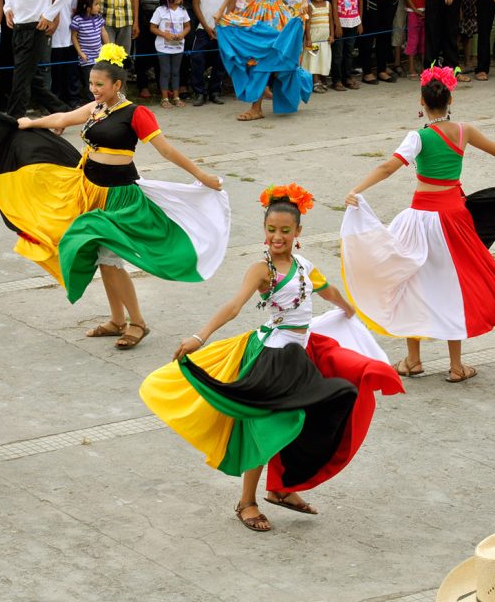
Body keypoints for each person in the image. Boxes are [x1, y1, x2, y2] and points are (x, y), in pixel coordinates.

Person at [140, 184, 403, 533]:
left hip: (304, 352)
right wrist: (199, 336)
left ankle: (281, 488)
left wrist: (347, 309)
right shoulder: (262, 270)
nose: (277, 237)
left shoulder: (304, 264)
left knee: (338, 398)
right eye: (271, 230)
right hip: (275, 356)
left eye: (285, 231)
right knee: (265, 426)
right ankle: (246, 501)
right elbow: (233, 306)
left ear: (298, 232)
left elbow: (327, 290)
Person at [0, 44, 228, 350]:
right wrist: (31, 123)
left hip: (120, 198)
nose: (93, 89)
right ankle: (118, 320)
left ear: (118, 84)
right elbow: (63, 118)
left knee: (112, 261)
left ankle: (138, 323)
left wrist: (203, 177)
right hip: (88, 191)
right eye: (91, 83)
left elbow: (167, 151)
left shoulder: (136, 114)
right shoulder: (96, 109)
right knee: (104, 259)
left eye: (99, 85)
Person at [342, 66, 495, 382]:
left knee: (408, 281)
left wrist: (357, 190)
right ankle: (456, 365)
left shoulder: (418, 137)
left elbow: (387, 167)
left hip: (420, 218)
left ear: (422, 102)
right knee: (453, 287)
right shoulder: (464, 131)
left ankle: (413, 359)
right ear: (450, 99)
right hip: (454, 218)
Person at [215, 0, 312, 121]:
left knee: (267, 59)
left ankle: (258, 106)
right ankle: (260, 100)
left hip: (275, 14)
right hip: (254, 12)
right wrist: (221, 10)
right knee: (254, 59)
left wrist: (304, 1)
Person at [1, 0, 76, 117]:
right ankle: (63, 113)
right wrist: (7, 8)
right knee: (32, 80)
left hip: (35, 29)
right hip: (18, 28)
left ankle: (13, 119)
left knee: (20, 78)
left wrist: (50, 14)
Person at [190, 0, 233, 105]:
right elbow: (195, 4)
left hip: (222, 29)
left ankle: (215, 91)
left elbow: (232, 4)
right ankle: (199, 92)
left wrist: (222, 23)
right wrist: (207, 27)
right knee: (197, 59)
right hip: (203, 29)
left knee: (220, 61)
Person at [150, 0, 191, 107]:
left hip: (178, 47)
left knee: (175, 72)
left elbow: (188, 26)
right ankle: (164, 98)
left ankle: (176, 96)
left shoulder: (182, 11)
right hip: (163, 47)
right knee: (165, 71)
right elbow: (152, 27)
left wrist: (183, 34)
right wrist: (164, 35)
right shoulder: (160, 10)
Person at [331, 0, 363, 90]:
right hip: (341, 23)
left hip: (353, 21)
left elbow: (360, 2)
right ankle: (336, 79)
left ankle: (347, 77)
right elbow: (333, 6)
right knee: (338, 53)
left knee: (349, 52)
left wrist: (360, 22)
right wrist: (337, 25)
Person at [71, 0, 110, 96]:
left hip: (99, 55)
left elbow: (103, 32)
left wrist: (108, 48)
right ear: (87, 7)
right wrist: (80, 53)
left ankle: (100, 97)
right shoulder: (78, 20)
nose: (99, 7)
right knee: (90, 79)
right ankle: (92, 100)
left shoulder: (98, 18)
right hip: (86, 57)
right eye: (96, 4)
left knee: (100, 78)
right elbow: (74, 37)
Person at [302, 0, 333, 91]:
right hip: (314, 39)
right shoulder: (310, 6)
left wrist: (332, 35)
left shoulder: (328, 4)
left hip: (324, 39)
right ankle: (315, 82)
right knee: (313, 58)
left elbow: (331, 21)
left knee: (322, 58)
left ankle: (320, 79)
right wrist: (308, 38)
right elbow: (308, 23)